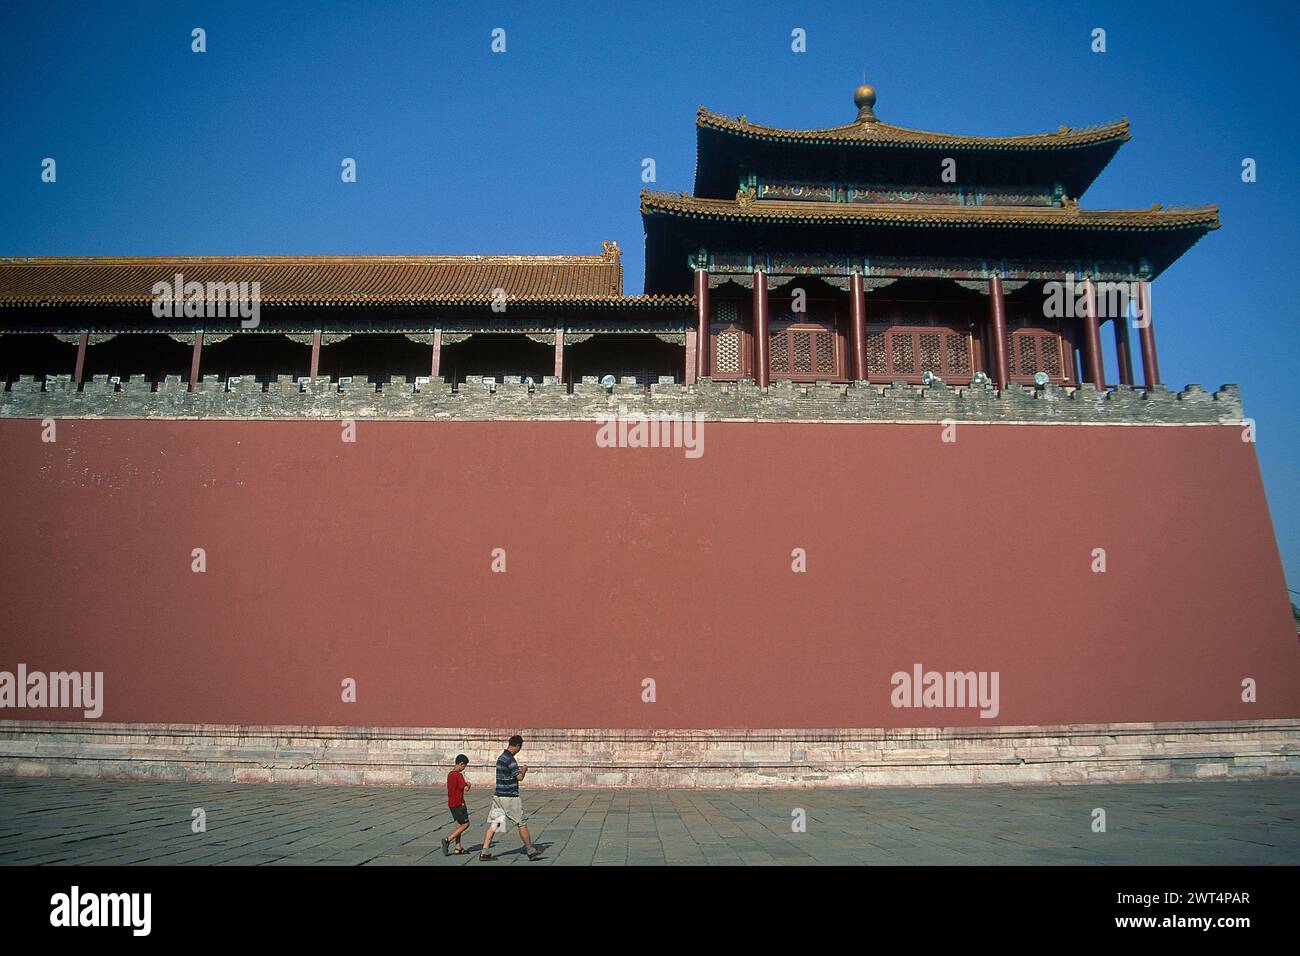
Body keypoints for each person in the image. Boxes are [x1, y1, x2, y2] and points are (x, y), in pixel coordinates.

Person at [480, 734, 542, 861]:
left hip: (498, 796)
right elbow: (519, 777)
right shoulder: (510, 759)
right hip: (510, 797)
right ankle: (530, 850)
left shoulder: (501, 757)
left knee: (495, 823)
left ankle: (484, 851)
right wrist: (524, 769)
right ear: (518, 746)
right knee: (521, 823)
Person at [442, 754, 472, 856]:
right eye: (464, 766)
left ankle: (457, 847)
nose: (464, 768)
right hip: (459, 803)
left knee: (459, 824)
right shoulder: (459, 775)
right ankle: (448, 839)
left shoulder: (450, 774)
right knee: (466, 824)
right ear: (461, 764)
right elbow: (465, 789)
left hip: (451, 803)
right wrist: (469, 784)